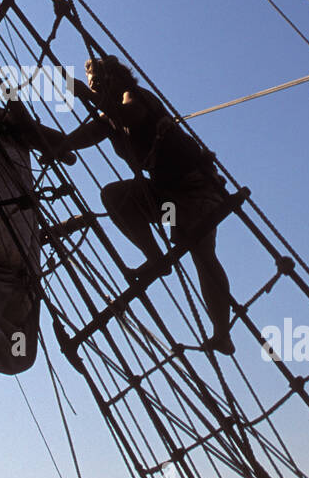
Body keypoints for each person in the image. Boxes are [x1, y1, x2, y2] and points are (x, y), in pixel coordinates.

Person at [44, 55, 235, 354]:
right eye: (93, 83)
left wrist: (88, 95)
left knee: (202, 253)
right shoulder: (110, 118)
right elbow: (90, 133)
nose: (95, 87)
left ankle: (222, 333)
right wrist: (59, 147)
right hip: (164, 193)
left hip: (194, 187)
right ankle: (155, 258)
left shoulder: (134, 96)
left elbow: (131, 115)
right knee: (115, 197)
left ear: (114, 79)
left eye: (98, 81)